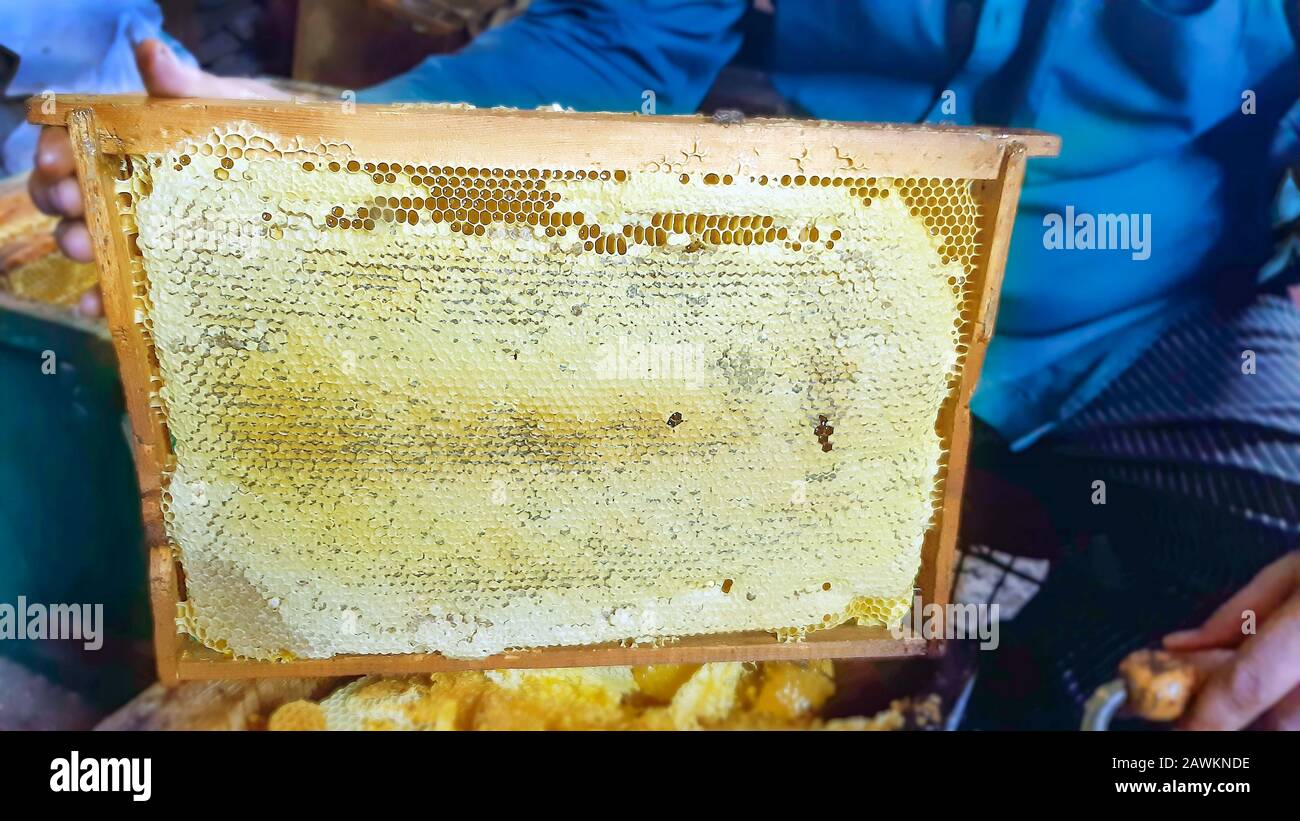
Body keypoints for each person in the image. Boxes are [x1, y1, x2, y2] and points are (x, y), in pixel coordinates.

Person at [27, 1, 1300, 730]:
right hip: (776, 271)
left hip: (1144, 345)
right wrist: (337, 144)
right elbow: (620, 38)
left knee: (1225, 628)